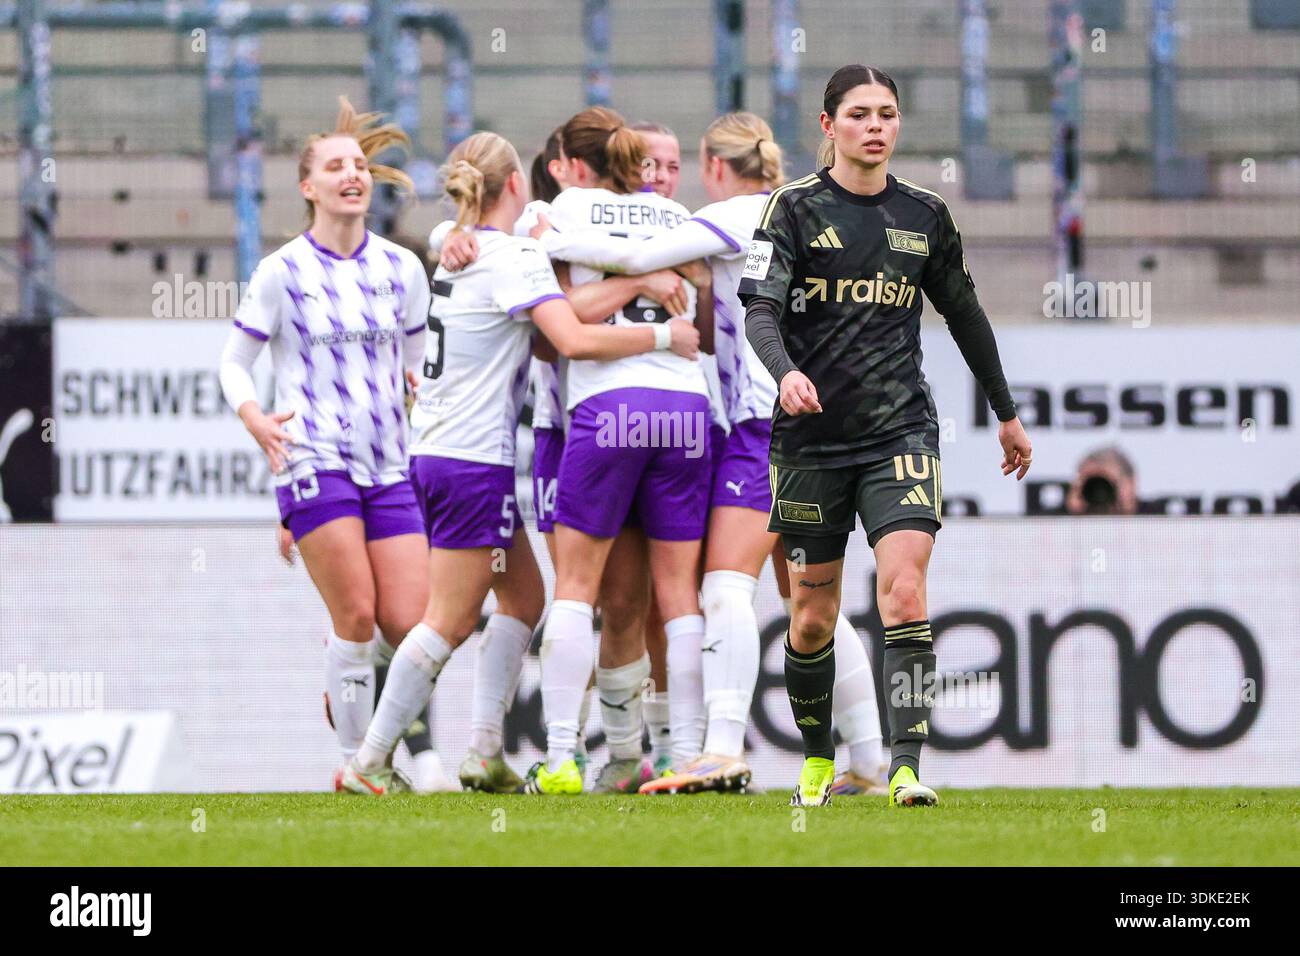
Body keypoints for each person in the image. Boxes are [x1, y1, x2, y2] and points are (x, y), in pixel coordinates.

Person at [534, 111, 888, 795]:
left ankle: (719, 748)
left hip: (766, 424)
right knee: (806, 599)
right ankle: (870, 757)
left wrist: (554, 235)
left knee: (725, 586)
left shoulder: (738, 214)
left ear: (716, 167)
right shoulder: (814, 212)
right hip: (826, 424)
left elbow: (637, 259)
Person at [339, 130, 700, 795]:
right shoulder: (515, 258)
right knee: (447, 618)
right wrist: (661, 332)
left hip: (451, 451)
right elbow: (568, 339)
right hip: (469, 458)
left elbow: (468, 243)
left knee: (525, 595)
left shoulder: (459, 250)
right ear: (515, 186)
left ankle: (481, 750)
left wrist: (455, 227)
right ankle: (367, 762)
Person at [739, 65, 1033, 807]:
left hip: (900, 432)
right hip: (809, 443)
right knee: (810, 618)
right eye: (861, 113)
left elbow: (964, 314)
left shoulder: (925, 215)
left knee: (904, 592)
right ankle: (815, 757)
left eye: (888, 114)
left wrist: (1005, 410)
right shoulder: (791, 209)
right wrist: (784, 373)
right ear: (828, 124)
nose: (876, 126)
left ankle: (905, 765)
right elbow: (760, 313)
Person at [219, 97, 431, 787]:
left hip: (389, 465)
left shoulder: (403, 269)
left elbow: (419, 369)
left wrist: (418, 393)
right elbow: (232, 363)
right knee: (358, 613)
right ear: (308, 187)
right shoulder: (282, 272)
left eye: (361, 166)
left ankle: (355, 699)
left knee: (412, 625)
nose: (353, 175)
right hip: (313, 458)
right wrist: (254, 417)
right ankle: (358, 766)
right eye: (336, 166)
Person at [519, 106, 713, 795]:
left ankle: (564, 756)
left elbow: (561, 322)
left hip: (608, 409)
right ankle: (690, 757)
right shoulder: (674, 218)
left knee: (576, 588)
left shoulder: (563, 212)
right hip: (688, 410)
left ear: (573, 165)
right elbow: (710, 302)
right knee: (676, 595)